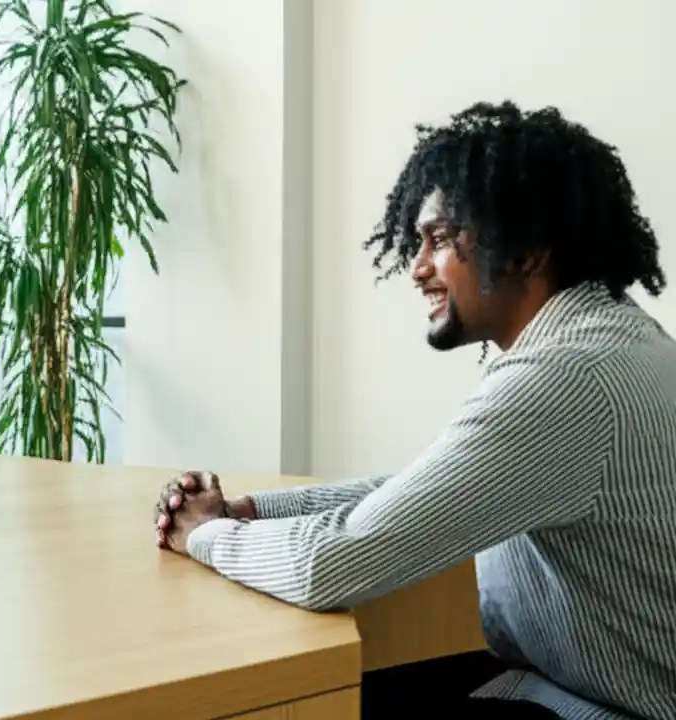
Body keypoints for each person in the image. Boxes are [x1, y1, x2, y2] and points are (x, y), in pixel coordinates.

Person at [154, 101, 676, 719]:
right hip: (562, 682)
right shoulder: (610, 340)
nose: (418, 268)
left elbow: (333, 563)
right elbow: (418, 491)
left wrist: (204, 535)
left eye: (440, 239)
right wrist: (249, 511)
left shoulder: (563, 380)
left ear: (527, 250)